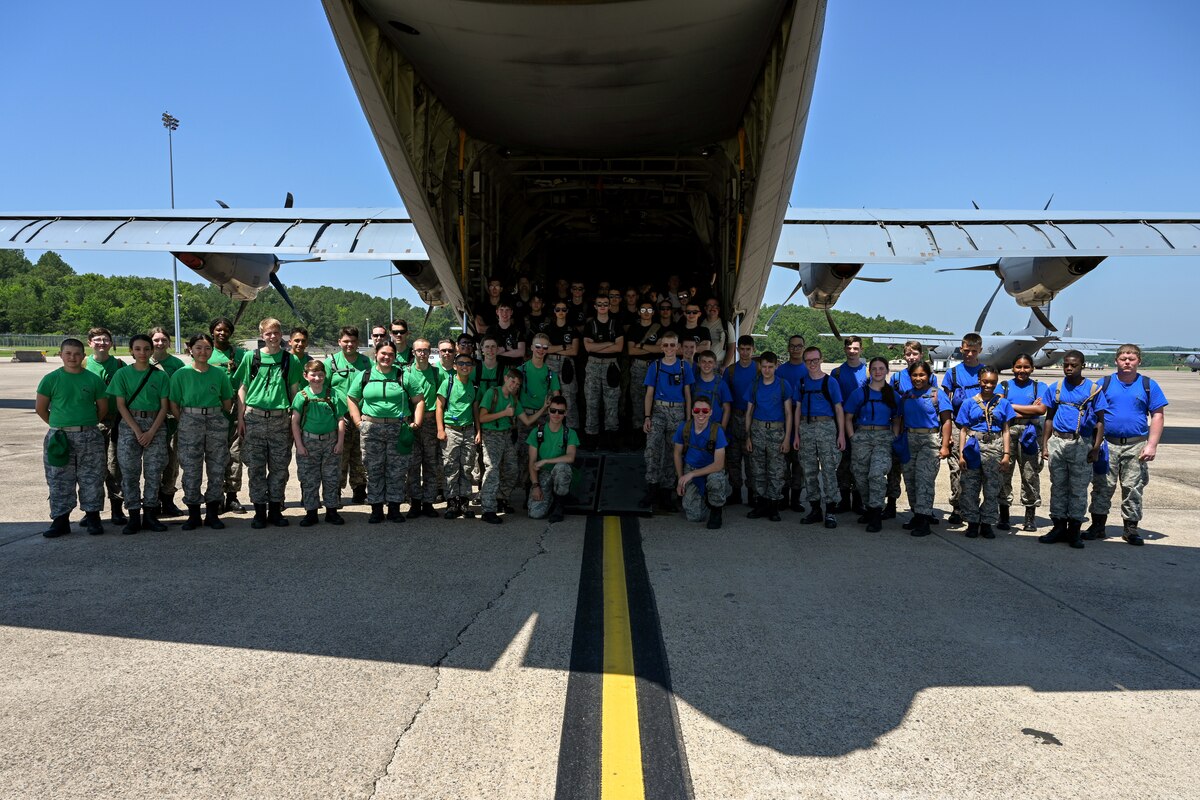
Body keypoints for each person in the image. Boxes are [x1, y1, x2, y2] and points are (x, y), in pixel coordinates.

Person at [1086, 344, 1168, 545]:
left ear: (1139, 361)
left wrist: (1152, 445)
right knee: (1102, 486)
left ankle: (1130, 528)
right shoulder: (1103, 384)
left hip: (1135, 445)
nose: (1127, 362)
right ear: (1116, 361)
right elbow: (1090, 412)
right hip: (1107, 445)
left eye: (1131, 358)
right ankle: (1098, 525)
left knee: (1133, 487)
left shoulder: (1148, 385)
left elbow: (1157, 415)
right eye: (1123, 358)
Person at [36, 338, 109, 538]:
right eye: (68, 353)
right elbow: (41, 409)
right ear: (61, 355)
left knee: (92, 477)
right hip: (60, 437)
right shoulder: (51, 379)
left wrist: (86, 424)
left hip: (89, 435)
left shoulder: (93, 379)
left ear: (83, 356)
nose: (72, 357)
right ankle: (60, 520)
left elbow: (103, 408)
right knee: (59, 479)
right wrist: (59, 425)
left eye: (77, 354)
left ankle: (93, 518)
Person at [347, 340, 425, 523]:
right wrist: (358, 422)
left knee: (396, 470)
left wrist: (416, 423)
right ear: (376, 354)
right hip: (371, 429)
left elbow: (419, 400)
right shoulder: (365, 375)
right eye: (383, 353)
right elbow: (351, 398)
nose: (386, 357)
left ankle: (394, 508)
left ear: (395, 356)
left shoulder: (404, 376)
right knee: (373, 469)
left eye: (391, 354)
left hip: (398, 429)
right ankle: (376, 508)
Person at [234, 318, 300, 529]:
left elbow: (294, 391)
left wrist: (294, 419)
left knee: (280, 467)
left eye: (276, 333)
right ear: (262, 336)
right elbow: (243, 388)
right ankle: (259, 511)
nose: (272, 337)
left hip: (280, 419)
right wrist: (241, 418)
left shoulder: (290, 360)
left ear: (282, 335)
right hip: (254, 418)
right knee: (256, 467)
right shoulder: (250, 357)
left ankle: (275, 510)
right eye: (268, 334)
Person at [1038, 351, 1107, 549]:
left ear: (1082, 365)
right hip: (1058, 442)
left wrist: (1095, 448)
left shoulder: (1093, 389)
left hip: (1081, 444)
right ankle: (1058, 526)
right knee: (1058, 486)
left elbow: (1100, 422)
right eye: (1066, 365)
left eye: (1074, 365)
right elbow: (1049, 418)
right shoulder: (1056, 388)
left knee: (1078, 489)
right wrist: (1045, 444)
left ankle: (1074, 530)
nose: (1069, 368)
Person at [169, 333, 234, 531]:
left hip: (215, 420)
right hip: (190, 420)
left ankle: (213, 512)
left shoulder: (219, 374)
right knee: (191, 468)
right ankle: (194, 513)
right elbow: (173, 402)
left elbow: (227, 401)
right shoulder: (181, 374)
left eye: (207, 348)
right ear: (191, 349)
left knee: (216, 468)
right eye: (198, 347)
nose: (203, 352)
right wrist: (186, 420)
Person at [109, 333, 172, 534]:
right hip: (130, 425)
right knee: (129, 473)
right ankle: (134, 515)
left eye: (146, 349)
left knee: (154, 472)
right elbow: (120, 405)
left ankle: (151, 515)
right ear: (131, 351)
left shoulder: (160, 375)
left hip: (156, 424)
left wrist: (151, 431)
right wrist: (137, 430)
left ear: (152, 350)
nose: (142, 353)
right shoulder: (122, 374)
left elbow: (164, 407)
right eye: (137, 349)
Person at [954, 365, 1015, 539]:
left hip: (994, 446)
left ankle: (987, 523)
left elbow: (1006, 430)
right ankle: (973, 522)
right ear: (979, 381)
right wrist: (961, 455)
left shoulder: (1003, 403)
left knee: (992, 487)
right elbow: (963, 430)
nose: (988, 385)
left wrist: (1006, 455)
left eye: (993, 382)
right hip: (973, 447)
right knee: (970, 487)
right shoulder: (968, 403)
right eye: (985, 381)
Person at [842, 357, 900, 531]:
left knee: (876, 474)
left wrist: (894, 436)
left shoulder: (892, 394)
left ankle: (876, 514)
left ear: (887, 371)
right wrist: (852, 437)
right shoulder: (860, 393)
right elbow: (848, 417)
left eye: (881, 368)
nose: (877, 372)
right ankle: (869, 507)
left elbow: (897, 418)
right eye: (874, 368)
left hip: (883, 437)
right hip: (862, 436)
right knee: (860, 476)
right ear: (870, 371)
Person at [639, 331, 695, 510]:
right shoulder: (654, 366)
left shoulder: (684, 366)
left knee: (674, 452)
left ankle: (666, 492)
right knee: (652, 450)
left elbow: (688, 394)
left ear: (677, 347)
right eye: (666, 345)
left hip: (677, 410)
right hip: (658, 410)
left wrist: (688, 419)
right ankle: (652, 489)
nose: (669, 349)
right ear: (661, 347)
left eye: (672, 345)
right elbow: (649, 394)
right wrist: (647, 417)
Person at [289, 360, 347, 527]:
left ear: (325, 376)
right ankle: (311, 512)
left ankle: (331, 511)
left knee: (331, 478)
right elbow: (295, 422)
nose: (317, 378)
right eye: (313, 375)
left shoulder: (333, 394)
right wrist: (299, 446)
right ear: (305, 376)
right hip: (309, 442)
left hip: (330, 442)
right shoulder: (302, 396)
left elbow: (340, 419)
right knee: (309, 479)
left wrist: (340, 442)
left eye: (320, 375)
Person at [793, 346, 845, 528]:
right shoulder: (801, 383)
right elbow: (797, 409)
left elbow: (839, 409)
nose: (812, 364)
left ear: (821, 359)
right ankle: (815, 509)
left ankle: (830, 510)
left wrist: (841, 435)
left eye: (815, 360)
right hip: (806, 428)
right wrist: (796, 435)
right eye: (808, 361)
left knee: (829, 469)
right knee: (809, 470)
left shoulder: (830, 382)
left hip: (826, 427)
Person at [898, 362, 952, 537]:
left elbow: (946, 421)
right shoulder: (907, 395)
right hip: (910, 439)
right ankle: (917, 513)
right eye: (915, 375)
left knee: (924, 480)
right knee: (910, 480)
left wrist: (944, 446)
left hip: (929, 440)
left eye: (922, 375)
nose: (918, 378)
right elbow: (899, 419)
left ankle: (924, 519)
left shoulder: (937, 395)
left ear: (928, 376)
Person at [996, 354, 1047, 532]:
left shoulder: (1039, 386)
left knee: (1030, 474)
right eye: (1018, 367)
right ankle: (1003, 515)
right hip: (1008, 431)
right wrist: (1028, 409)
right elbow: (998, 408)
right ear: (1012, 368)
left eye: (1026, 367)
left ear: (1032, 368)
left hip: (1030, 432)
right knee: (1004, 472)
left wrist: (1011, 406)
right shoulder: (1004, 385)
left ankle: (1030, 516)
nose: (1022, 371)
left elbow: (1041, 409)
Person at [883, 341, 933, 520]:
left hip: (919, 429)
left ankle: (922, 510)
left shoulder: (929, 376)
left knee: (920, 474)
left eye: (915, 354)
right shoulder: (897, 378)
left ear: (921, 355)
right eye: (908, 354)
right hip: (900, 427)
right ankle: (891, 503)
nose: (911, 357)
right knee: (894, 469)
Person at [84, 326, 127, 524]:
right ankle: (90, 510)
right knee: (91, 468)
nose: (102, 343)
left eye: (106, 339)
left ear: (111, 343)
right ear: (90, 343)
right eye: (98, 340)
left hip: (115, 421)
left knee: (114, 466)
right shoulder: (83, 364)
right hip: (90, 422)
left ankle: (117, 509)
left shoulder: (119, 365)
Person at [744, 350, 793, 521]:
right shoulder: (754, 385)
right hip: (757, 429)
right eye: (764, 366)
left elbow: (788, 413)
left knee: (776, 469)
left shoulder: (783, 385)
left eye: (770, 367)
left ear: (776, 366)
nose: (766, 370)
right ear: (760, 367)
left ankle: (773, 505)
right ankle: (761, 503)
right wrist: (748, 436)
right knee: (757, 469)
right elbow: (749, 413)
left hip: (777, 430)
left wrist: (787, 438)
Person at [942, 333, 985, 525]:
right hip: (959, 427)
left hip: (980, 428)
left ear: (980, 351)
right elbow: (945, 405)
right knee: (957, 470)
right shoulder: (952, 373)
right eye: (966, 350)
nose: (969, 354)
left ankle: (973, 507)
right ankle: (957, 507)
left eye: (973, 351)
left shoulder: (985, 372)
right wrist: (948, 433)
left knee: (977, 470)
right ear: (961, 349)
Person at [325, 326, 372, 504]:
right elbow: (325, 389)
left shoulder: (367, 363)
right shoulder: (331, 363)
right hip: (340, 416)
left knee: (360, 454)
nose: (349, 344)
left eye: (353, 341)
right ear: (339, 342)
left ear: (358, 343)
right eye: (345, 341)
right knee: (338, 455)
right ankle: (335, 490)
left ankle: (359, 489)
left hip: (361, 416)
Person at [478, 368, 531, 524]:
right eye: (513, 381)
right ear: (506, 378)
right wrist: (504, 414)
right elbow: (482, 417)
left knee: (512, 469)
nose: (515, 385)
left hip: (506, 435)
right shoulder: (492, 393)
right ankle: (488, 509)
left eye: (518, 384)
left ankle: (501, 498)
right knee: (492, 469)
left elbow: (527, 421)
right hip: (491, 435)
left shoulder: (514, 400)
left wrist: (545, 408)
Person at [208, 317, 247, 513]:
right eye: (218, 330)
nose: (222, 333)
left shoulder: (239, 354)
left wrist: (241, 415)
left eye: (226, 330)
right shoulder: (206, 352)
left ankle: (232, 496)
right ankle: (215, 496)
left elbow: (244, 383)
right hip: (212, 410)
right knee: (215, 455)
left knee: (234, 454)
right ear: (212, 332)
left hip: (233, 409)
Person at [672, 394, 730, 528]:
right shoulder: (684, 428)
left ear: (710, 413)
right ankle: (706, 497)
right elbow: (677, 453)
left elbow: (719, 464)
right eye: (697, 411)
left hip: (711, 470)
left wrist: (692, 474)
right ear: (692, 411)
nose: (701, 414)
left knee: (715, 481)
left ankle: (717, 509)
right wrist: (681, 480)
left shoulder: (717, 431)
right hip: (690, 468)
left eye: (705, 411)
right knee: (694, 517)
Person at [438, 353, 481, 519]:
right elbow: (439, 406)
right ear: (455, 366)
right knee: (450, 467)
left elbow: (475, 410)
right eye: (461, 363)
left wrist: (478, 431)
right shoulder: (447, 383)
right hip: (451, 430)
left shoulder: (474, 386)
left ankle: (464, 501)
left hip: (468, 430)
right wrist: (440, 429)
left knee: (467, 467)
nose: (465, 366)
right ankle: (451, 502)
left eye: (468, 363)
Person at [149, 326, 186, 517]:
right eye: (156, 340)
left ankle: (168, 498)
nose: (160, 343)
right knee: (153, 462)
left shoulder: (177, 365)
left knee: (172, 461)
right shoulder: (143, 362)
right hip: (150, 419)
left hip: (172, 418)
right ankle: (152, 499)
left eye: (164, 340)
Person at [405, 339, 443, 518]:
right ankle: (415, 502)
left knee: (431, 464)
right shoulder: (406, 373)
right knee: (413, 465)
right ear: (413, 352)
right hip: (411, 423)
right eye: (419, 350)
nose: (422, 353)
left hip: (430, 422)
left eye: (426, 350)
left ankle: (428, 502)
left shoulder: (436, 373)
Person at [831, 336, 869, 515]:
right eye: (849, 348)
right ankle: (844, 499)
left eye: (856, 348)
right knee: (843, 463)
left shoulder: (869, 373)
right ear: (844, 349)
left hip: (862, 424)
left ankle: (858, 501)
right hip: (841, 422)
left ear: (861, 350)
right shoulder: (836, 373)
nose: (852, 351)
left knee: (860, 463)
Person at [527, 394, 579, 523]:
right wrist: (535, 486)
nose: (556, 414)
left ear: (565, 413)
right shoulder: (537, 432)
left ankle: (559, 505)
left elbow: (570, 457)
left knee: (561, 467)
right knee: (535, 514)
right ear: (548, 411)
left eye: (560, 411)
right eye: (553, 410)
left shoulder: (569, 433)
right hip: (543, 474)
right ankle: (549, 498)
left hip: (559, 472)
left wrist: (546, 460)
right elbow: (532, 463)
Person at [583, 294, 624, 448]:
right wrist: (609, 343)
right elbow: (588, 348)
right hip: (593, 365)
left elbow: (619, 347)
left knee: (612, 403)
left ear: (609, 306)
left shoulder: (616, 324)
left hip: (611, 365)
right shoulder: (590, 324)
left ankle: (611, 439)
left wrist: (597, 345)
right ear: (595, 306)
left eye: (605, 304)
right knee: (592, 402)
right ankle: (591, 438)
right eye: (599, 304)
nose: (602, 306)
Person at [723, 335, 759, 504]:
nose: (744, 353)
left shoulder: (759, 369)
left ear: (753, 350)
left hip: (754, 418)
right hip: (734, 416)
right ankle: (736, 491)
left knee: (751, 457)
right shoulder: (730, 371)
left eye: (748, 349)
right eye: (742, 349)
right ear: (737, 350)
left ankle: (752, 493)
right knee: (733, 457)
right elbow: (725, 397)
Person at [625, 298, 665, 442]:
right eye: (643, 310)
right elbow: (631, 350)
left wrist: (641, 346)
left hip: (656, 366)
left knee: (656, 399)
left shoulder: (659, 328)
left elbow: (661, 350)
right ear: (638, 312)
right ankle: (638, 433)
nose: (646, 312)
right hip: (638, 367)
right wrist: (650, 348)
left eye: (649, 310)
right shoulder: (634, 329)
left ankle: (653, 434)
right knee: (637, 400)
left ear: (653, 312)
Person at [777, 334, 808, 512]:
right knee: (783, 460)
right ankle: (783, 496)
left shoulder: (807, 370)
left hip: (802, 418)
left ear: (803, 348)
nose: (796, 349)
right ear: (788, 348)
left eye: (799, 346)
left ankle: (796, 499)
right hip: (783, 417)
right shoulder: (780, 371)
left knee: (799, 462)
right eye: (793, 346)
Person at [545, 302, 580, 429]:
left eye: (564, 309)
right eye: (558, 309)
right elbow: (546, 349)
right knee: (550, 396)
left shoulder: (572, 329)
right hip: (550, 362)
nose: (561, 311)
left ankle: (571, 431)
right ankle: (550, 430)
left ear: (567, 311)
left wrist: (554, 348)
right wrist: (565, 346)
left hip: (567, 363)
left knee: (569, 397)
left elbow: (574, 351)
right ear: (554, 311)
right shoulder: (548, 328)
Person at [692, 350, 733, 428]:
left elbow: (727, 409)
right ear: (699, 364)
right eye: (704, 361)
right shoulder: (694, 382)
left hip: (715, 426)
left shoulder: (722, 384)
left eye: (710, 362)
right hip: (695, 426)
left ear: (715, 365)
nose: (706, 365)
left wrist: (722, 429)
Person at [486, 300, 526, 367]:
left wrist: (499, 352)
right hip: (496, 367)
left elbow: (521, 352)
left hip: (514, 368)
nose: (504, 313)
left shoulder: (517, 331)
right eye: (501, 310)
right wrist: (508, 349)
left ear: (511, 312)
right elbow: (488, 351)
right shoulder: (491, 330)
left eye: (507, 310)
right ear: (497, 312)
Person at [702, 297, 734, 366]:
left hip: (719, 364)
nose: (712, 308)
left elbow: (732, 347)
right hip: (701, 364)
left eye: (715, 305)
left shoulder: (726, 325)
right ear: (705, 308)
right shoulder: (700, 324)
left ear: (719, 309)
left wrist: (724, 366)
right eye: (709, 305)